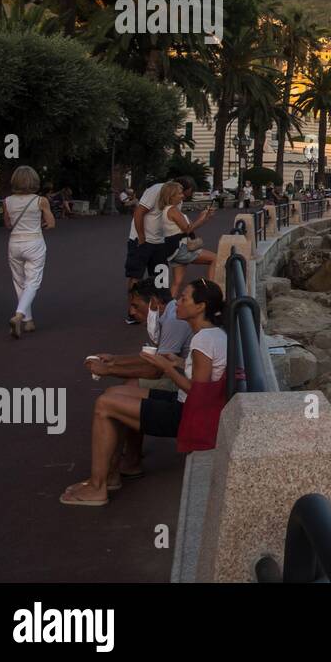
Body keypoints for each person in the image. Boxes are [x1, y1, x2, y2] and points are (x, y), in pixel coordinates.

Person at [61, 279, 226, 506]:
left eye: (183, 299)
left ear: (200, 307)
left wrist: (166, 367)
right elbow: (201, 379)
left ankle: (98, 487)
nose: (176, 302)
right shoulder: (213, 335)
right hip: (188, 405)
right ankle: (112, 474)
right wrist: (177, 361)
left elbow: (197, 391)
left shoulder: (203, 341)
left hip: (186, 414)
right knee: (115, 392)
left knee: (105, 404)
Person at [85, 280, 194, 475]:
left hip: (183, 390)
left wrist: (108, 370)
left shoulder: (173, 320)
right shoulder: (168, 317)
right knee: (123, 390)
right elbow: (152, 361)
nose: (132, 313)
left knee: (117, 396)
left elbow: (155, 370)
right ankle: (127, 460)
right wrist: (114, 361)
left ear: (153, 302)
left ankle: (119, 467)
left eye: (135, 306)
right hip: (183, 384)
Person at [124, 175, 194, 324]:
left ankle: (161, 312)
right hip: (141, 240)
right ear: (176, 189)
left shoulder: (177, 202)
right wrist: (141, 238)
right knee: (136, 276)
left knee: (160, 277)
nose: (183, 197)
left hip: (160, 242)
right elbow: (139, 213)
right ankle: (133, 311)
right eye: (183, 193)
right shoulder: (155, 191)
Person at [4, 166, 55, 339]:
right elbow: (51, 223)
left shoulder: (7, 201)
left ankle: (29, 321)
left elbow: (8, 224)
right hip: (34, 242)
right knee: (33, 281)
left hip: (14, 243)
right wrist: (40, 224)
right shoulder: (40, 200)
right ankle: (19, 315)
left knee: (19, 282)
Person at [159, 182, 217, 298]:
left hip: (173, 250)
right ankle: (210, 293)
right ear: (171, 195)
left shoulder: (167, 210)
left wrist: (204, 218)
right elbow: (188, 229)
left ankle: (166, 312)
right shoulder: (172, 210)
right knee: (215, 258)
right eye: (179, 193)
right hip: (181, 249)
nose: (182, 196)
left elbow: (189, 226)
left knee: (176, 283)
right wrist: (202, 218)